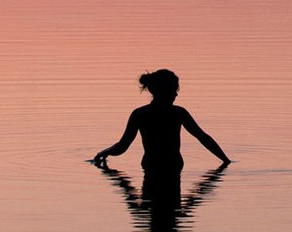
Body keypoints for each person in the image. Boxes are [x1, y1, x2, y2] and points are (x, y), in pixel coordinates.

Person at [92, 69, 231, 170]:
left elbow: (122, 146)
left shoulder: (140, 114)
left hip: (150, 165)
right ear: (162, 91)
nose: (176, 94)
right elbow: (203, 138)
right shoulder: (178, 113)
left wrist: (104, 153)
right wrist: (225, 161)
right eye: (173, 90)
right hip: (173, 165)